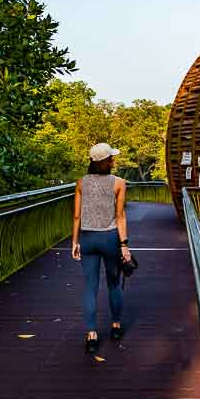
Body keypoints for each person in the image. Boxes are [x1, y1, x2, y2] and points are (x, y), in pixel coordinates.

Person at [71, 142, 132, 354]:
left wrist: (74, 242)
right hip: (110, 239)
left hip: (87, 238)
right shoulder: (119, 183)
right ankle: (115, 326)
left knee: (90, 287)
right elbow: (120, 216)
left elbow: (77, 215)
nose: (113, 161)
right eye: (111, 158)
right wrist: (124, 245)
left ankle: (91, 335)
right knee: (114, 284)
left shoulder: (81, 183)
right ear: (104, 162)